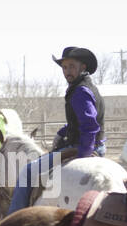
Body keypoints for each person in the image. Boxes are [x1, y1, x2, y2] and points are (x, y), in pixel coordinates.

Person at [8, 46, 105, 213]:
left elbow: (90, 125)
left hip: (82, 147)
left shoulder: (80, 91)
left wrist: (84, 156)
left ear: (83, 67)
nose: (67, 71)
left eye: (72, 66)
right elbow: (81, 122)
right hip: (99, 145)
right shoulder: (87, 87)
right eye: (64, 67)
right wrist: (63, 131)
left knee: (28, 171)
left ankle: (13, 218)